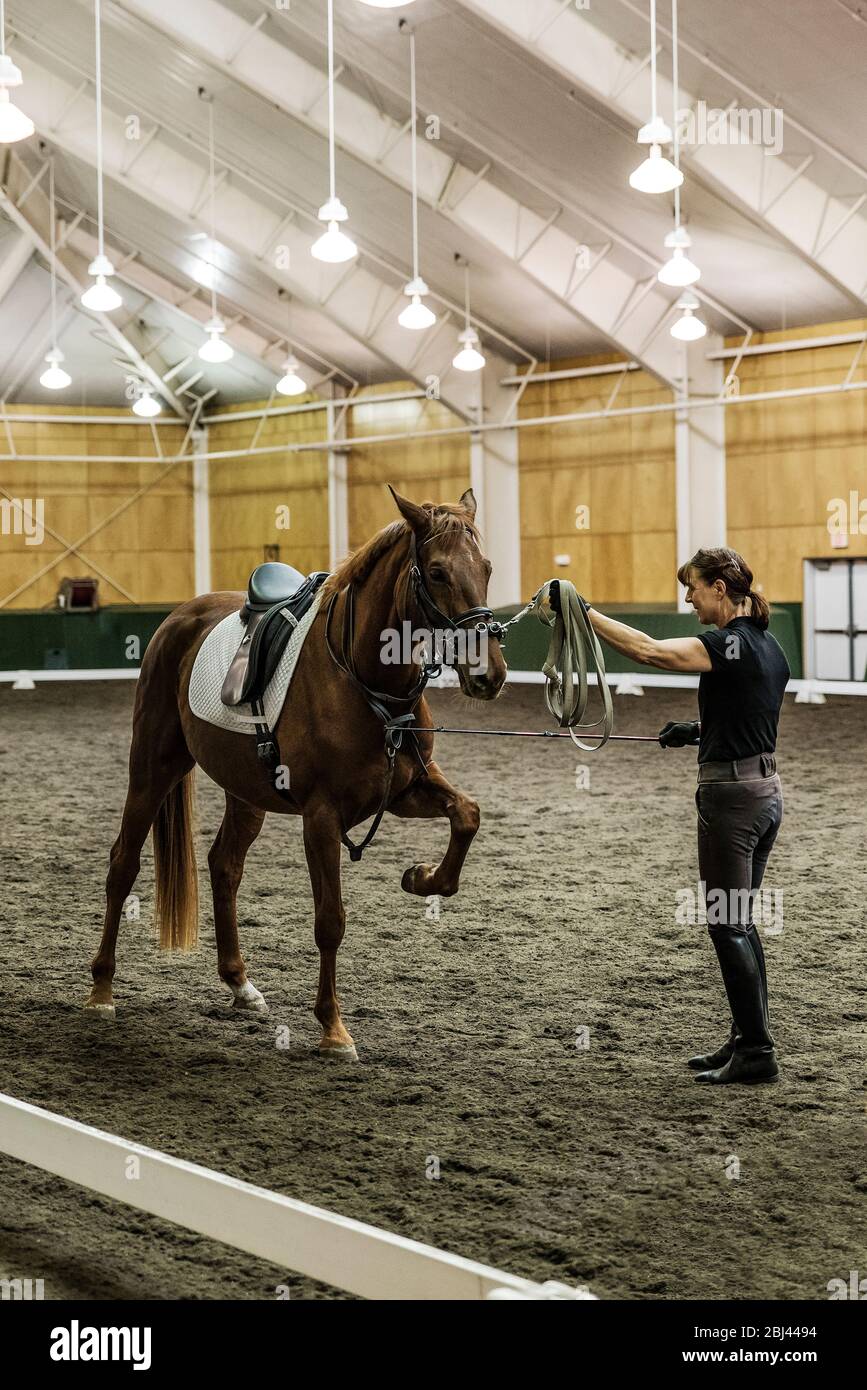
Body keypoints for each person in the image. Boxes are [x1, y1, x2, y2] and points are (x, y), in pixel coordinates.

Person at [584, 548, 790, 1085]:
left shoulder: (727, 644)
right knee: (740, 922)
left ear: (720, 588)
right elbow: (752, 718)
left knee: (726, 924)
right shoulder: (770, 648)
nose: (687, 596)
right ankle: (748, 1039)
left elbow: (650, 653)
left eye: (693, 587)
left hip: (732, 803)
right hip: (765, 794)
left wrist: (585, 613)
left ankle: (757, 1051)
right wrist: (696, 731)